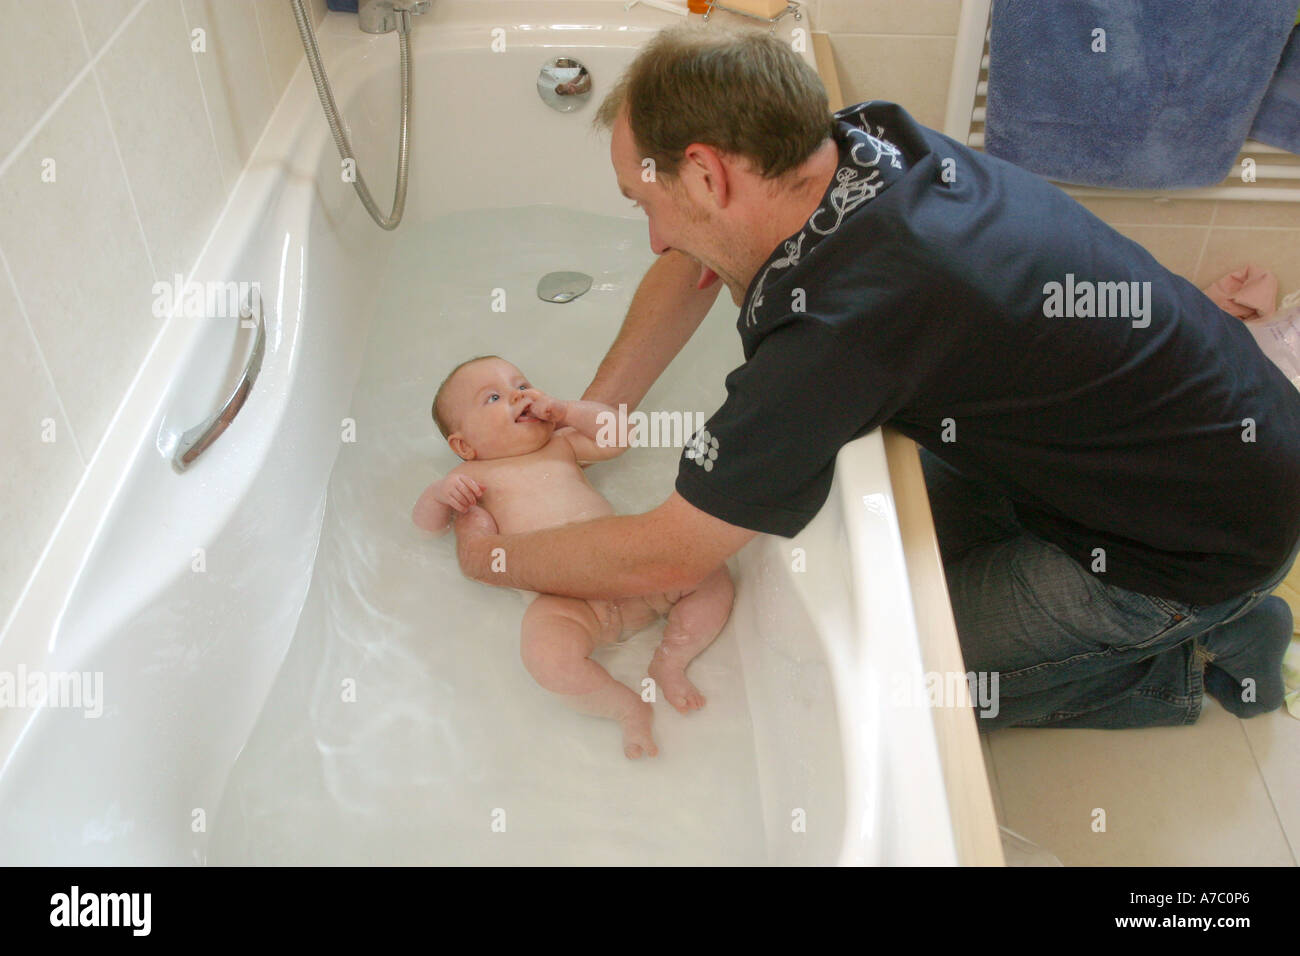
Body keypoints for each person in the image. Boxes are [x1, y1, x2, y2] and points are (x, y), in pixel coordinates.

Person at [453, 24, 1300, 730]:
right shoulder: (856, 142)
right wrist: (606, 404)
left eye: (646, 203)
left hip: (1184, 554)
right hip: (1201, 449)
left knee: (882, 696)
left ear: (710, 174)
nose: (650, 239)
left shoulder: (843, 325)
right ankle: (1222, 609)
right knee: (859, 554)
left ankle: (1188, 659)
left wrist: (493, 557)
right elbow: (697, 259)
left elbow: (664, 556)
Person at [413, 356, 734, 758]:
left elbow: (616, 436)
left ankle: (672, 659)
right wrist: (439, 495)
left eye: (523, 384)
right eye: (493, 397)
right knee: (546, 656)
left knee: (709, 570)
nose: (519, 395)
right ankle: (622, 705)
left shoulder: (560, 444)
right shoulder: (475, 484)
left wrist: (567, 411)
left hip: (629, 573)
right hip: (563, 602)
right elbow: (431, 530)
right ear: (464, 446)